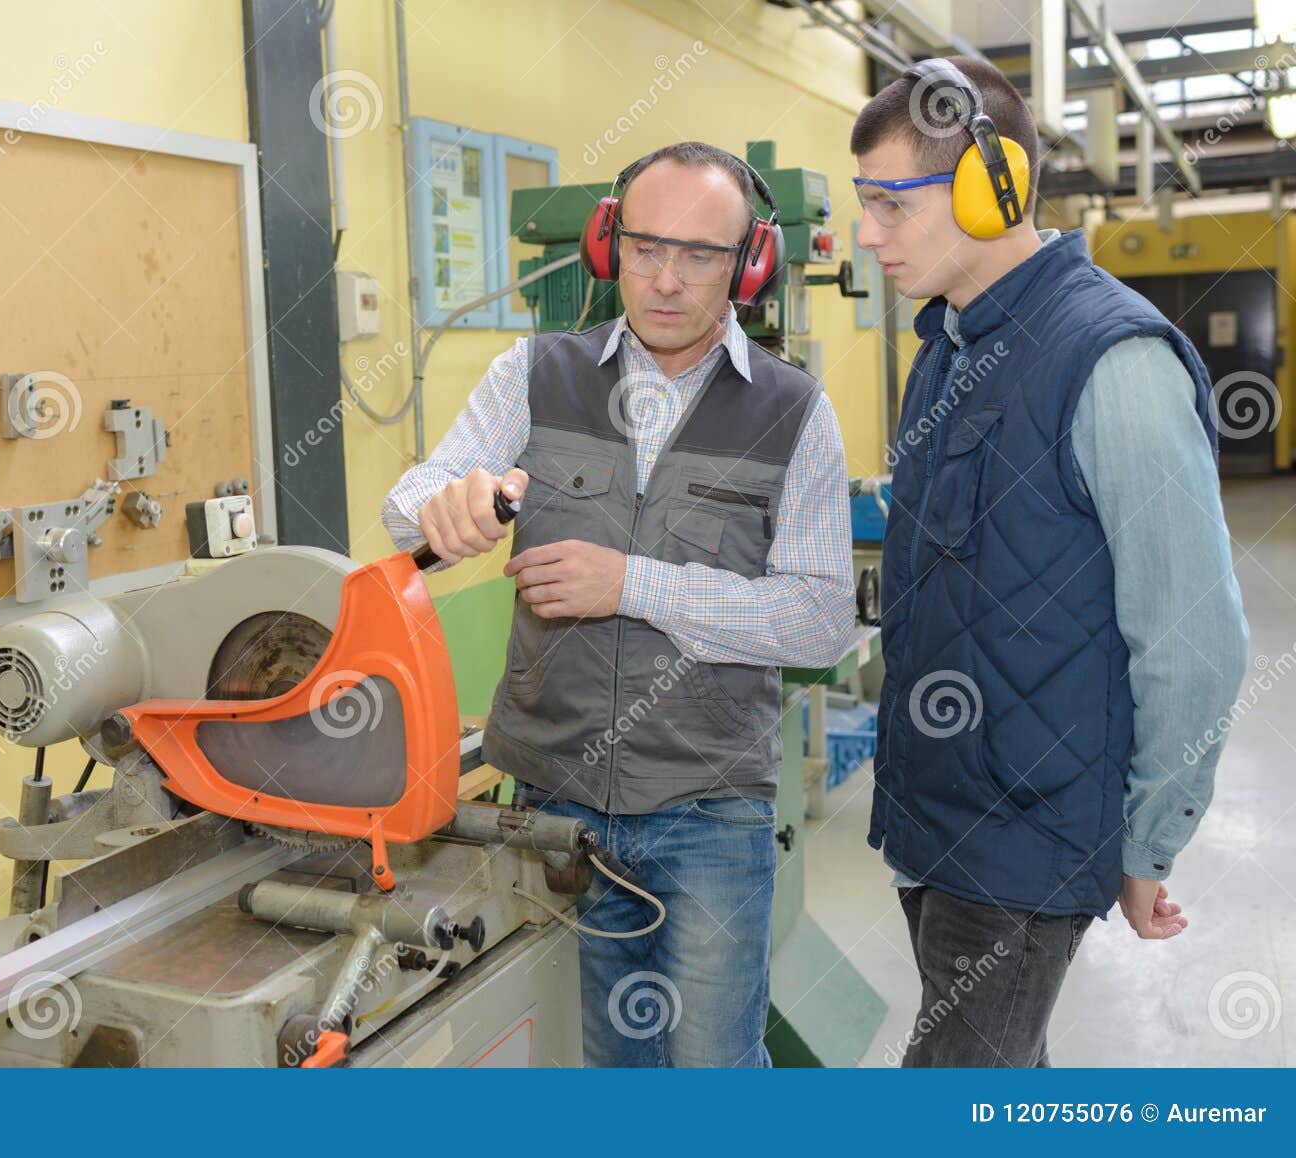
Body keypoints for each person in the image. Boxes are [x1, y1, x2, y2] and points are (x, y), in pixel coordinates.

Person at [382, 141, 854, 1066]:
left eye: (700, 256)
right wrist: (446, 506)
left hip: (709, 807)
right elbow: (412, 508)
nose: (667, 281)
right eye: (645, 248)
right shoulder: (533, 374)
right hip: (553, 804)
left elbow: (819, 618)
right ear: (609, 246)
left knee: (714, 1069)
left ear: (749, 265)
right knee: (601, 1065)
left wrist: (632, 584)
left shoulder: (795, 412)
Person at [854, 56, 1250, 1066]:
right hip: (936, 822)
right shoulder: (945, 346)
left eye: (888, 206)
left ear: (994, 190)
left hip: (1024, 837)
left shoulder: (1110, 360)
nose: (867, 235)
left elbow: (1193, 637)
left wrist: (1147, 839)